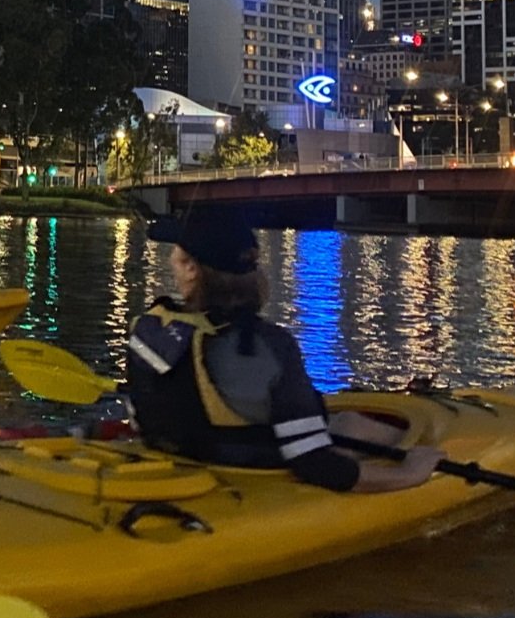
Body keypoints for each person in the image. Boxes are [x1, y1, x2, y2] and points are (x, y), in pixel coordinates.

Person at [124, 210, 441, 492]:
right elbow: (315, 464)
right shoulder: (271, 347)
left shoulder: (149, 332)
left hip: (180, 464)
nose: (169, 261)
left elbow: (143, 421)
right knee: (351, 426)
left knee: (348, 424)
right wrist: (411, 473)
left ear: (192, 269)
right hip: (255, 476)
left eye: (176, 254)